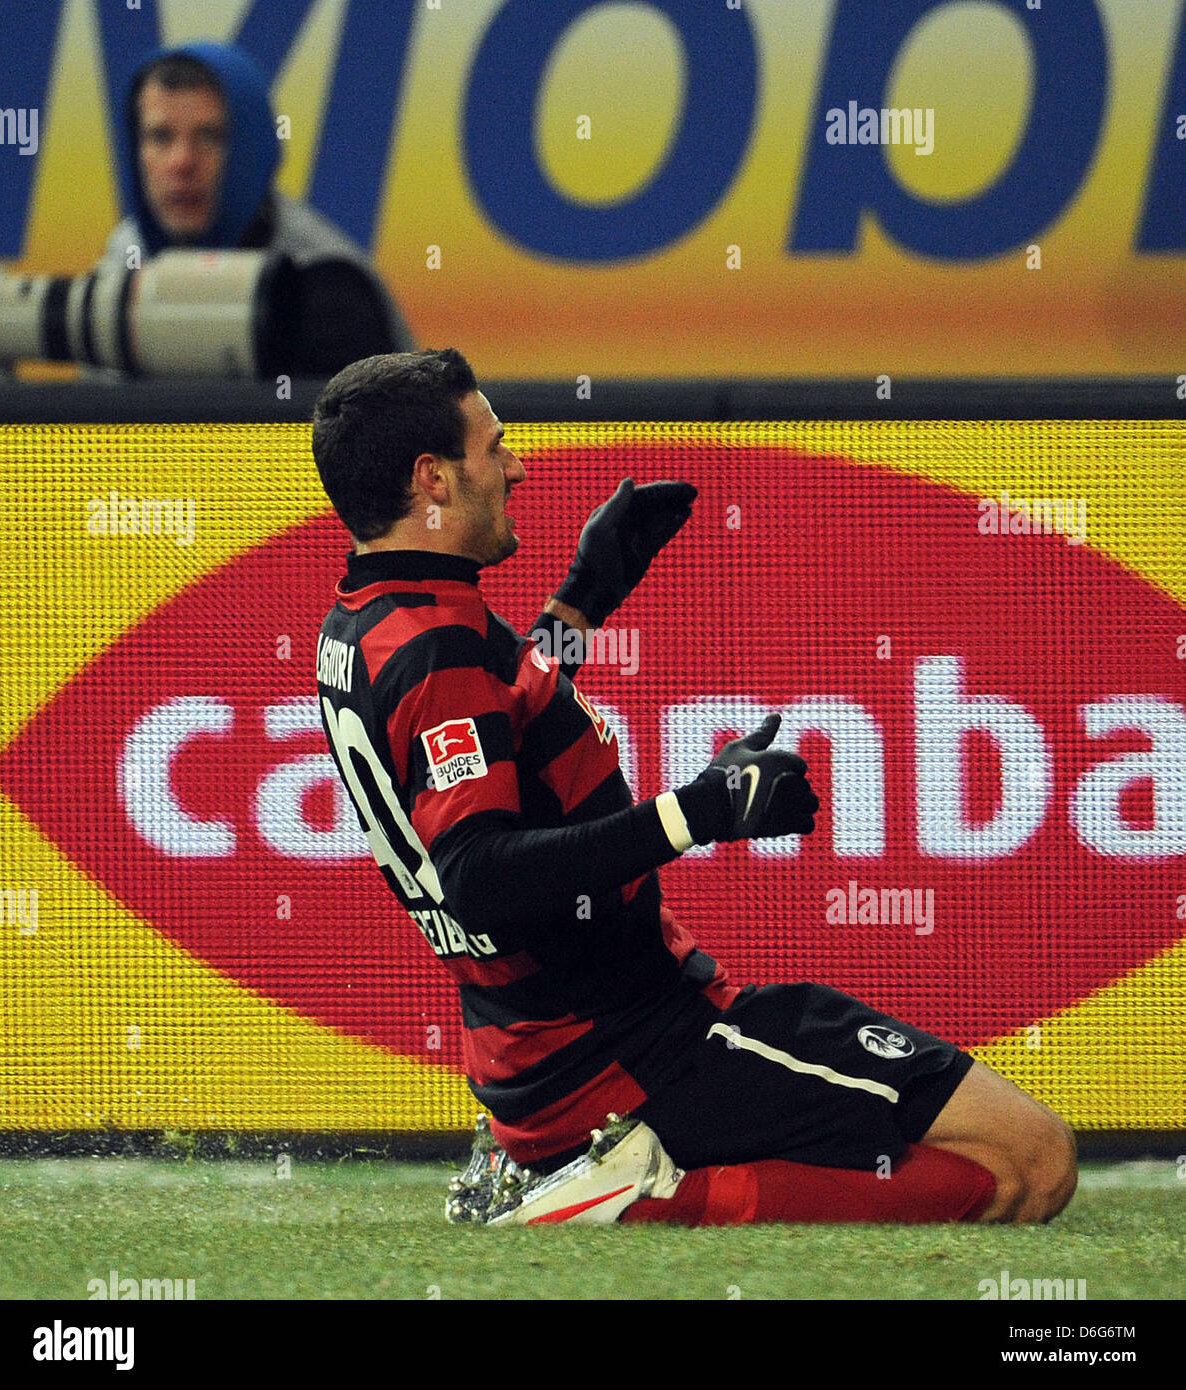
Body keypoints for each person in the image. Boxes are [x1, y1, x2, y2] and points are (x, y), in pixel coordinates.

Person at [312, 349, 1078, 1227]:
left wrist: (583, 600)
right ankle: (631, 1196)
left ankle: (587, 1165)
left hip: (547, 1044)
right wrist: (700, 810)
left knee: (947, 1139)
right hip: (628, 1043)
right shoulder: (433, 643)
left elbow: (501, 727)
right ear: (432, 479)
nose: (517, 465)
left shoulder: (373, 619)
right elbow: (478, 872)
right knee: (1031, 1165)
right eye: (495, 447)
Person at [97, 42, 413, 372]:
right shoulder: (123, 257)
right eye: (160, 137)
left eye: (210, 136)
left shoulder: (328, 286)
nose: (182, 162)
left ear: (252, 151)